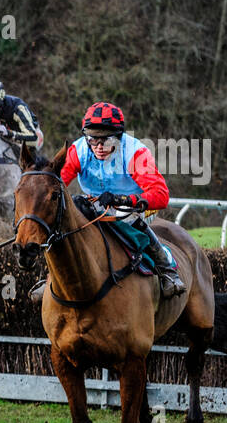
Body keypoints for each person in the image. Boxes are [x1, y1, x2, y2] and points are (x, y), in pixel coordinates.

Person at [31, 101, 184, 302]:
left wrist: (123, 200)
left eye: (106, 140)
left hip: (136, 204)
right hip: (95, 202)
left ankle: (166, 268)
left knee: (124, 218)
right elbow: (56, 182)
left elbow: (161, 195)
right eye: (93, 140)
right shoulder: (78, 150)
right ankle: (51, 277)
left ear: (119, 137)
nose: (99, 147)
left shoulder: (135, 152)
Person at [0, 78, 43, 151]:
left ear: (1, 100)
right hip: (4, 137)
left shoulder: (17, 108)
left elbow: (33, 138)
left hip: (30, 136)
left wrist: (9, 133)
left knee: (21, 155)